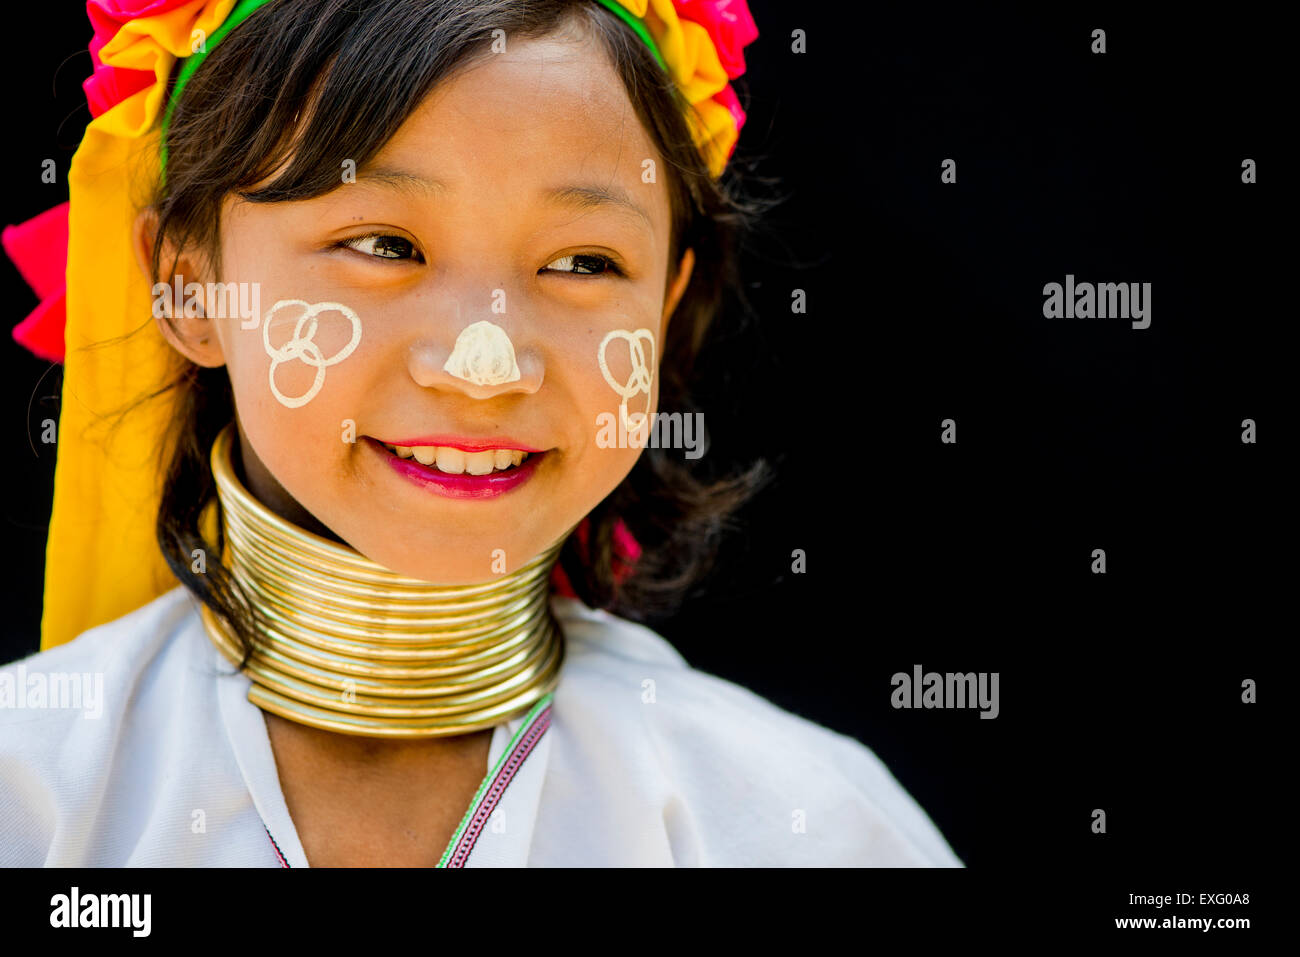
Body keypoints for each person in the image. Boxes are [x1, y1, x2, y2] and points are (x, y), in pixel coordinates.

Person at [0, 0, 962, 867]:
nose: (485, 361)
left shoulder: (801, 823)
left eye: (583, 262)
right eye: (386, 246)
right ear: (189, 282)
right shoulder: (35, 794)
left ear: (668, 299)